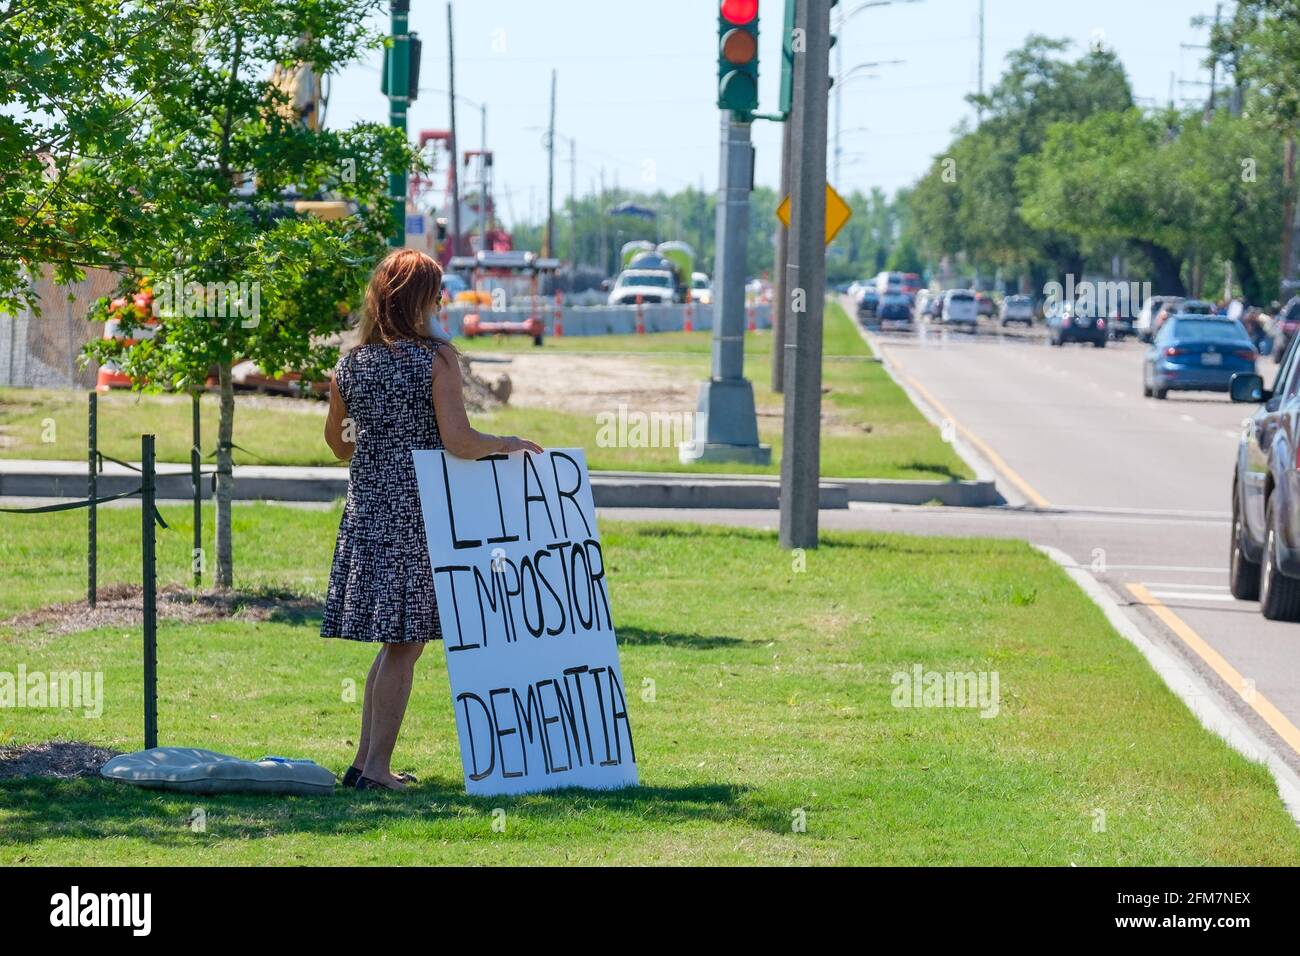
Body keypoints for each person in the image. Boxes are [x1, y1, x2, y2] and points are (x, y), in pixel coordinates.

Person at [321, 249, 542, 791]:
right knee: (405, 642)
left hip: (369, 509)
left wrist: (377, 438)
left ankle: (364, 764)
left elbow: (337, 446)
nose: (443, 301)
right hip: (418, 513)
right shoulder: (436, 360)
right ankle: (375, 770)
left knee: (398, 640)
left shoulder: (351, 363)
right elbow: (459, 442)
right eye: (438, 293)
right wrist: (508, 444)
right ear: (422, 300)